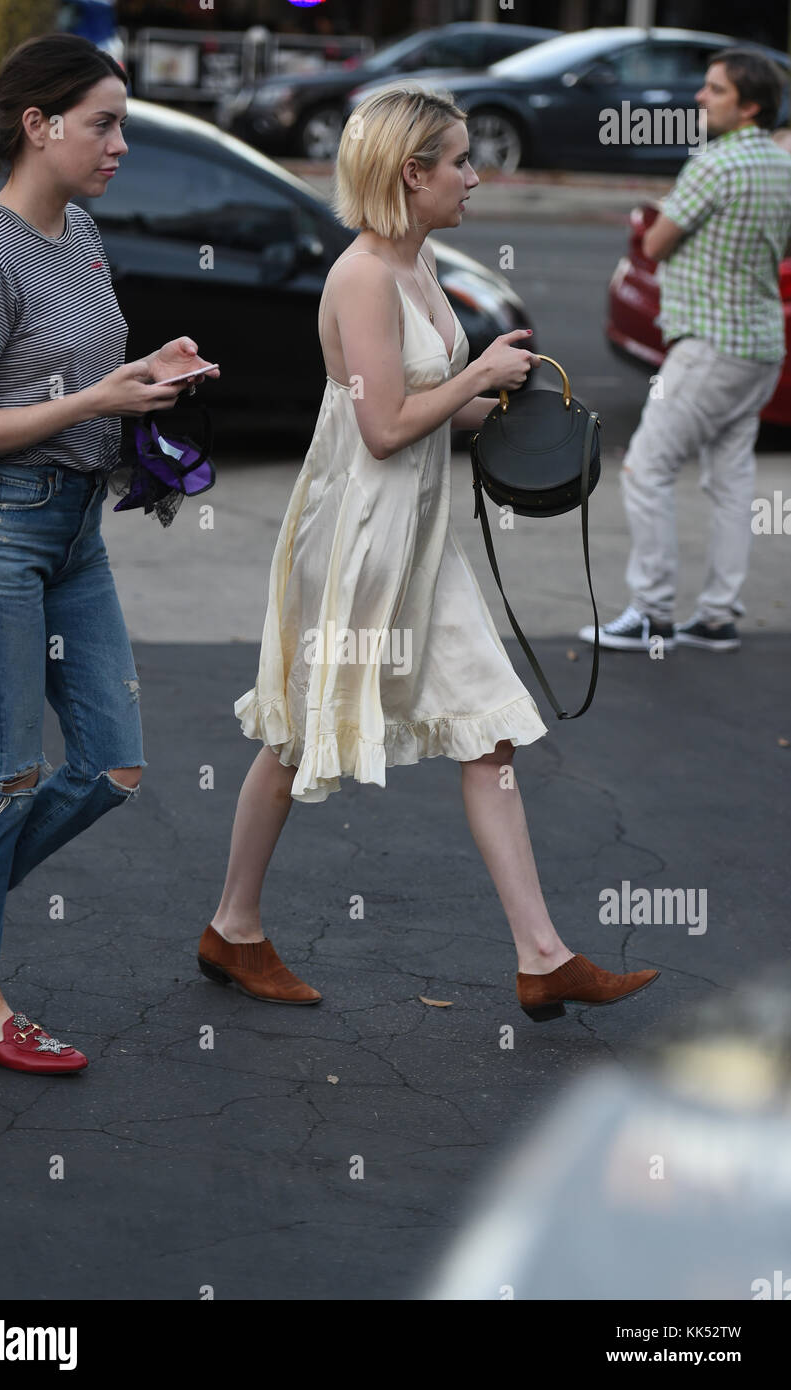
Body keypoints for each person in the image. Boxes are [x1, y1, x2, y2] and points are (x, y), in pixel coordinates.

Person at [197, 87, 659, 1022]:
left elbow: (427, 410)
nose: (475, 176)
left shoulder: (417, 263)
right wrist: (477, 374)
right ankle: (233, 929)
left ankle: (542, 955)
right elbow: (380, 428)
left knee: (485, 728)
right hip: (357, 540)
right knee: (294, 732)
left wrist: (517, 410)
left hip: (418, 538)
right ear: (413, 173)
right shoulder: (364, 274)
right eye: (459, 161)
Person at [0, 33, 218, 1074]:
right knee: (5, 775)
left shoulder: (79, 230)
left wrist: (145, 372)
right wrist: (98, 399)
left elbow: (66, 372)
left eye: (124, 123)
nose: (120, 143)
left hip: (72, 531)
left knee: (114, 763)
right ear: (39, 127)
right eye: (103, 123)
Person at [580, 48, 791, 654]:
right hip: (761, 345)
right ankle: (718, 615)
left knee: (646, 469)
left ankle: (651, 612)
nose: (700, 97)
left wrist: (659, 224)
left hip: (709, 346)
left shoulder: (715, 163)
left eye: (715, 89)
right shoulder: (780, 163)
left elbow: (658, 239)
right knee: (731, 479)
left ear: (749, 106)